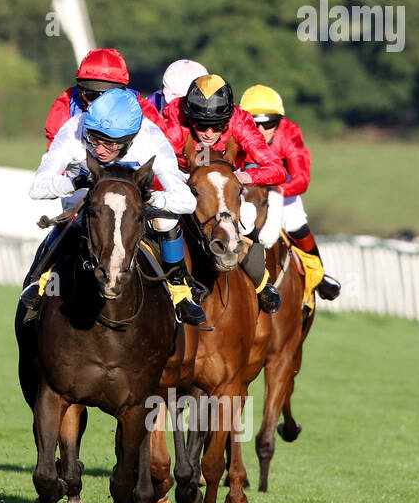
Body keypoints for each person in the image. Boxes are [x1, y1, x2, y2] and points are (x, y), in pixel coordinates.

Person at [24, 87, 206, 325]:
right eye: (94, 139)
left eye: (109, 144)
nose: (99, 149)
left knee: (167, 219)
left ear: (130, 139)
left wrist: (150, 198)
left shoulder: (151, 138)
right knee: (76, 217)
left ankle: (179, 288)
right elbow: (36, 188)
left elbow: (187, 201)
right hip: (87, 196)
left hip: (134, 203)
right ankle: (42, 280)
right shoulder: (74, 129)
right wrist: (74, 182)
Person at [161, 72, 286, 313]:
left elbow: (277, 169)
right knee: (163, 217)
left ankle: (262, 282)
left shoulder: (240, 121)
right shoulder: (175, 123)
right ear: (189, 117)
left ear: (228, 118)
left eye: (217, 126)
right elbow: (153, 160)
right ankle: (177, 282)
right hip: (180, 174)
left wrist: (243, 177)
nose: (208, 133)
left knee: (247, 216)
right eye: (200, 125)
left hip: (226, 176)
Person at [239, 84, 340, 300]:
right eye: (255, 124)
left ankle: (318, 275)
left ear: (279, 122)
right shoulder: (235, 130)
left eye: (270, 124)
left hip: (281, 193)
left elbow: (301, 179)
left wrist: (276, 190)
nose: (262, 130)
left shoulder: (290, 133)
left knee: (296, 223)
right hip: (244, 192)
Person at [43, 48, 162, 148]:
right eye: (92, 95)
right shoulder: (66, 106)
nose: (98, 104)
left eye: (107, 97)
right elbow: (55, 157)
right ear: (80, 92)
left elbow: (161, 154)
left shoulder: (142, 110)